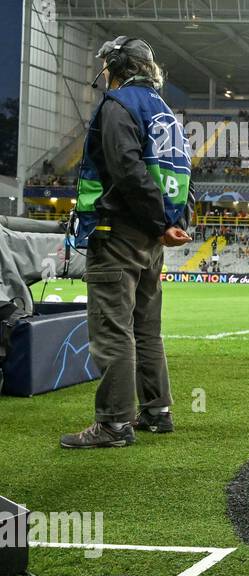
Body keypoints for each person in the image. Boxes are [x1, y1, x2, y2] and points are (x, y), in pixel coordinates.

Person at [60, 37, 193, 449]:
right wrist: (172, 222)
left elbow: (126, 168)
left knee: (113, 329)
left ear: (117, 66)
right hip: (150, 239)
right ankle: (157, 410)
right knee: (146, 328)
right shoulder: (167, 113)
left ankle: (115, 423)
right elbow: (184, 170)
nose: (102, 72)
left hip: (118, 232)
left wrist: (157, 223)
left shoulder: (118, 105)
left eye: (105, 65)